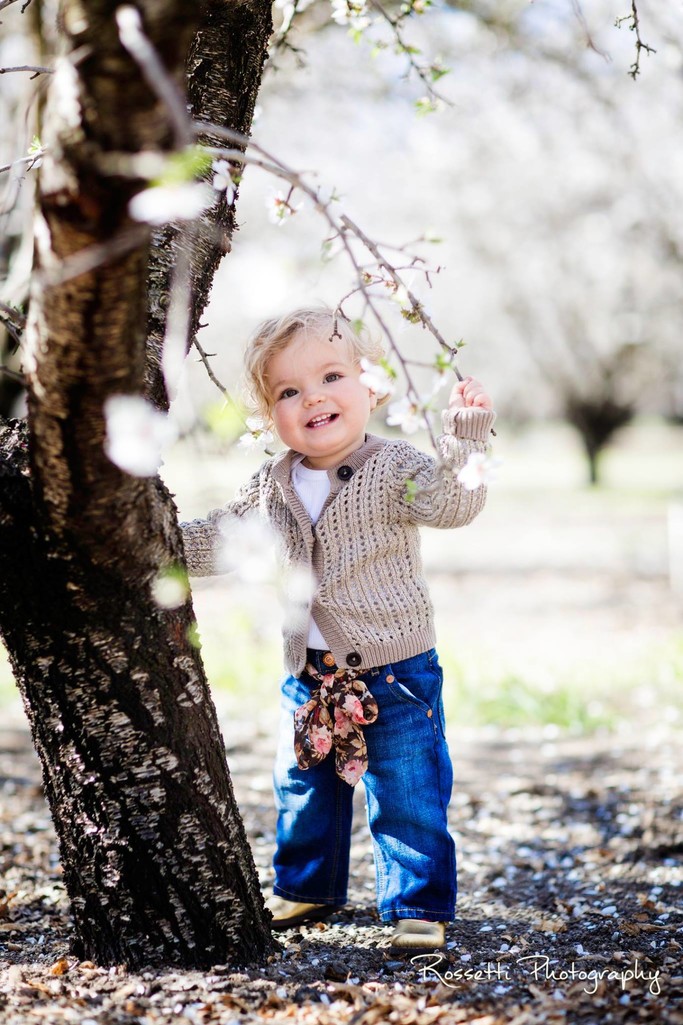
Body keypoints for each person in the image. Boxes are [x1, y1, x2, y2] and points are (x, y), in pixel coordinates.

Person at [181, 306, 496, 951]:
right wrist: (153, 545)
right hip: (311, 672)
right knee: (302, 785)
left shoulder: (392, 468)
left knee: (407, 789)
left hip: (395, 670)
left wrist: (465, 438)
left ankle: (417, 906)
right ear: (270, 415)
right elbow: (224, 538)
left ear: (372, 385)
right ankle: (306, 888)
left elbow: (454, 503)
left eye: (330, 376)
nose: (313, 398)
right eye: (288, 391)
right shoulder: (273, 486)